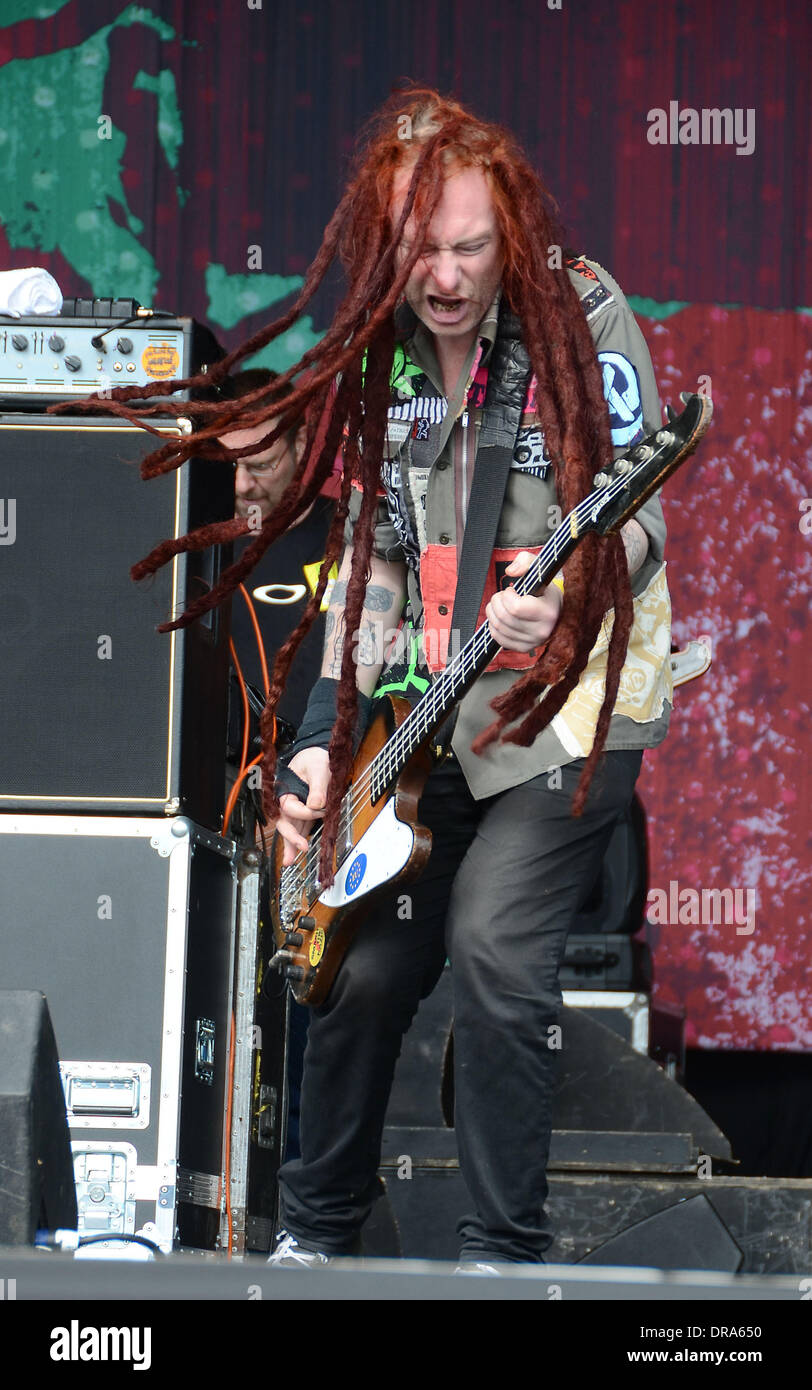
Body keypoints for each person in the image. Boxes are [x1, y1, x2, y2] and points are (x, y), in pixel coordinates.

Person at [107, 87, 673, 1268]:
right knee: (357, 967)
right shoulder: (384, 355)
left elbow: (640, 520)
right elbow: (363, 573)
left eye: (469, 247)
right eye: (423, 251)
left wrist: (561, 593)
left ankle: (501, 1256)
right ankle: (312, 1240)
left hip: (566, 717)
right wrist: (321, 735)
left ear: (505, 232)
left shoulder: (582, 313)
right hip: (427, 723)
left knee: (493, 945)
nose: (448, 275)